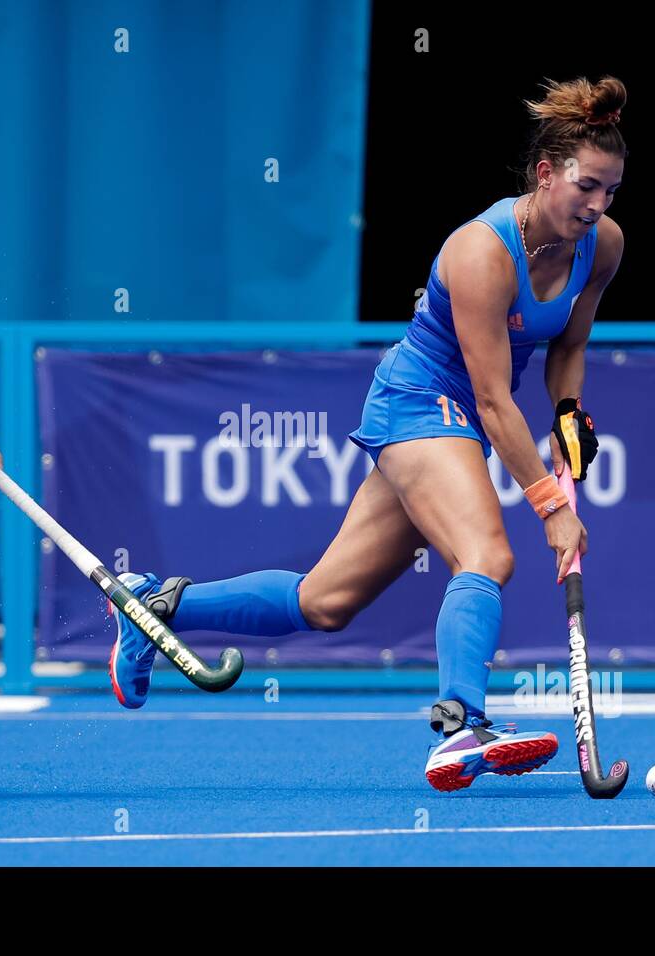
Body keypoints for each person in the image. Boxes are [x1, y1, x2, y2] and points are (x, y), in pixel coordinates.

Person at [107, 77, 626, 792]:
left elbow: (568, 347)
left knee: (325, 602)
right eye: (586, 187)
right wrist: (551, 505)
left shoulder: (602, 246)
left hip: (462, 419)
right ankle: (461, 725)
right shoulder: (480, 252)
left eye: (610, 192)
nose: (597, 205)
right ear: (545, 174)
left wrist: (569, 416)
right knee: (486, 553)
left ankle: (154, 604)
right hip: (420, 401)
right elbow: (490, 397)